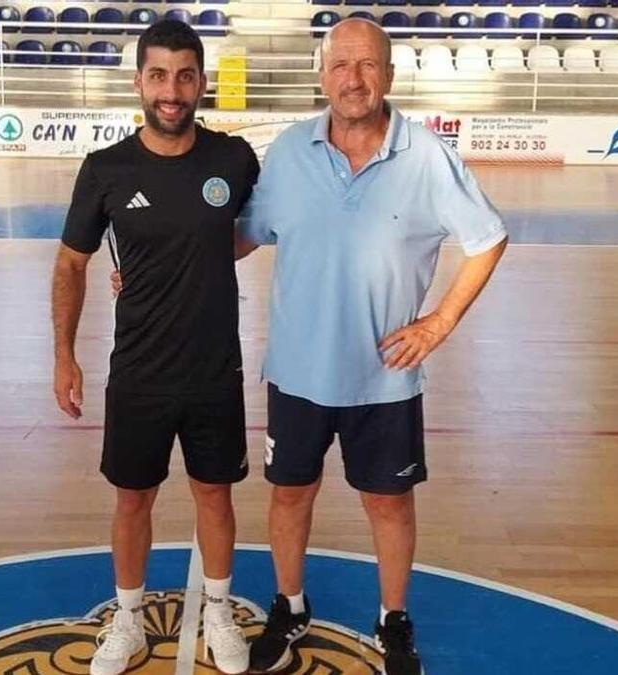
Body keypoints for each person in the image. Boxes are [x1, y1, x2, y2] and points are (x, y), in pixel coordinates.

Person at [239, 18, 509, 675]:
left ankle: (392, 618)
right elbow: (245, 233)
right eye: (340, 65)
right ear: (321, 74)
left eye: (367, 65)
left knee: (388, 501)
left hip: (385, 377)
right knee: (289, 494)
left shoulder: (425, 156)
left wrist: (439, 321)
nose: (353, 78)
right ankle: (290, 603)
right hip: (298, 372)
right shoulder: (288, 152)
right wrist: (163, 261)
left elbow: (488, 237)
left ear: (389, 75)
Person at [50, 19, 260, 675]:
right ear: (140, 81)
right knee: (132, 500)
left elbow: (254, 230)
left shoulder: (234, 159)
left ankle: (221, 614)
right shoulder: (105, 170)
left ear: (201, 82)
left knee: (215, 496)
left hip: (213, 370)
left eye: (186, 75)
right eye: (159, 75)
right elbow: (69, 265)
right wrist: (64, 354)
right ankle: (131, 620)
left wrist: (193, 255)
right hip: (138, 372)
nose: (173, 90)